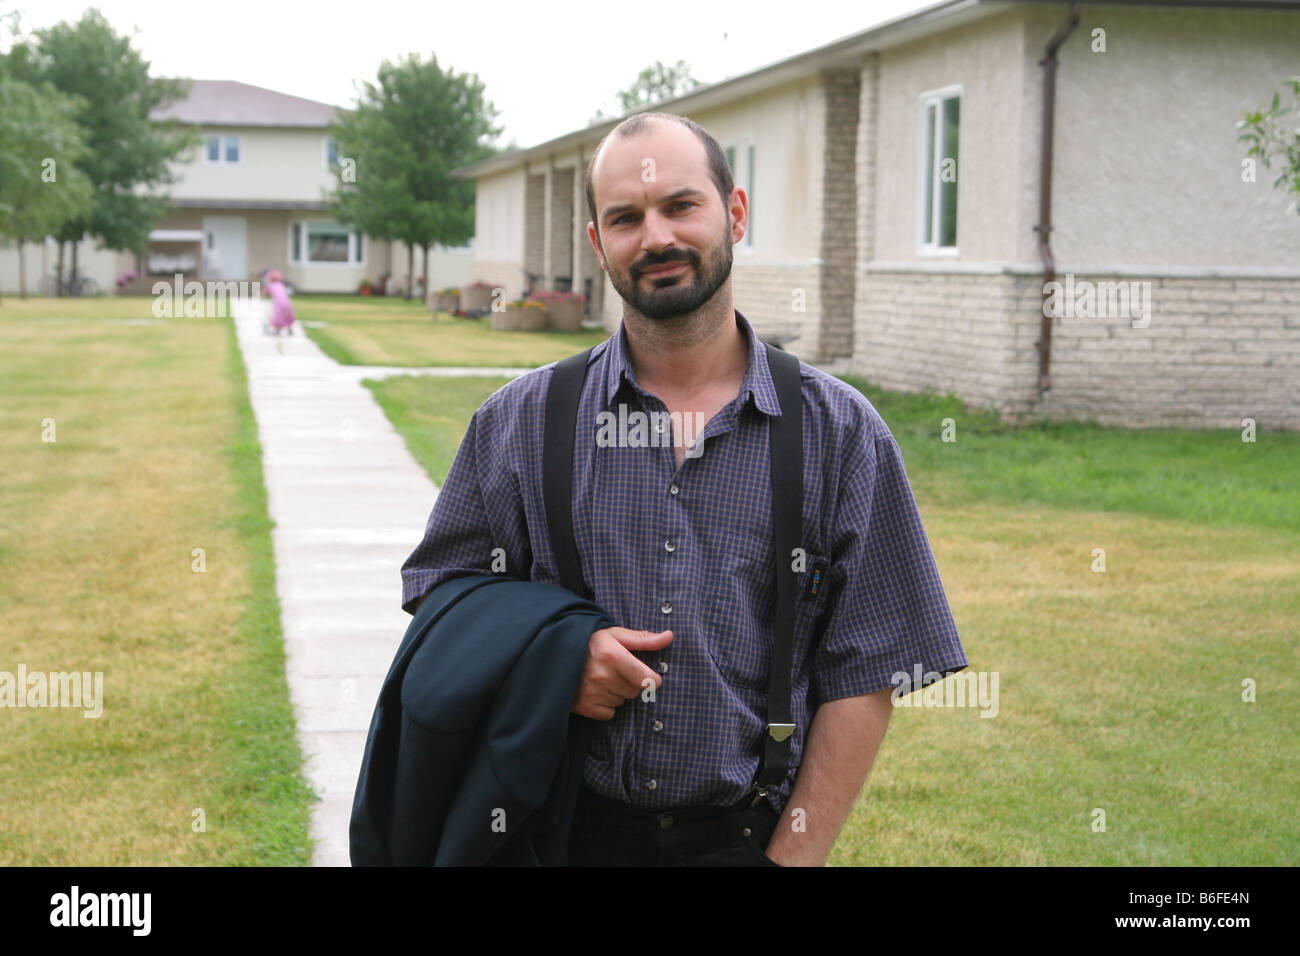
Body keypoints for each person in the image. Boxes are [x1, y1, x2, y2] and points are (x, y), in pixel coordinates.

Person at [400, 112, 968, 866]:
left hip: (744, 841)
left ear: (733, 212)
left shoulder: (841, 432)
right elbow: (441, 592)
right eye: (626, 218)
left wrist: (792, 859)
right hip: (554, 834)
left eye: (681, 205)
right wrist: (554, 658)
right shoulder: (520, 421)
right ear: (599, 244)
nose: (656, 237)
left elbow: (870, 670)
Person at [262, 269, 295, 335]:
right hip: (287, 301)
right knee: (287, 314)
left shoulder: (270, 285)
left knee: (279, 316)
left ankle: (278, 330)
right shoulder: (280, 284)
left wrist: (261, 296)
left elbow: (263, 292)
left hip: (278, 302)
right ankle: (290, 329)